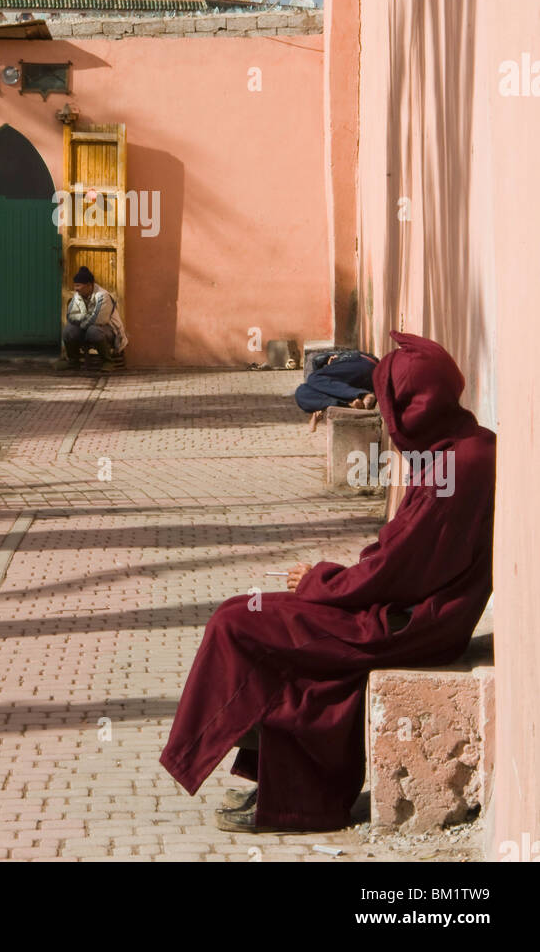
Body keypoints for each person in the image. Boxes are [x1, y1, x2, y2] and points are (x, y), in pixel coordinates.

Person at [160, 332, 495, 833]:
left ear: (413, 405)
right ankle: (282, 789)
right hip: (412, 609)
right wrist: (334, 580)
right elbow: (404, 557)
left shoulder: (455, 464)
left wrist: (321, 581)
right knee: (250, 618)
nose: (389, 419)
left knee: (242, 623)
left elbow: (398, 570)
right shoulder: (461, 443)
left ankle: (288, 795)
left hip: (413, 624)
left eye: (390, 405)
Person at [61, 266, 128, 370]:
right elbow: (70, 316)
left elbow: (99, 320)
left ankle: (108, 362)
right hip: (86, 328)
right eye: (75, 285)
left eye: (78, 285)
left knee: (93, 331)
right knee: (68, 330)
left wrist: (82, 320)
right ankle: (73, 361)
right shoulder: (78, 295)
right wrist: (84, 318)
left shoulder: (102, 295)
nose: (76, 289)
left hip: (109, 330)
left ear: (89, 285)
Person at [294, 348, 379, 430]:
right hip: (366, 383)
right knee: (300, 393)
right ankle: (353, 401)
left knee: (311, 380)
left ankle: (358, 397)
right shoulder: (324, 383)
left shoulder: (320, 373)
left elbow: (318, 360)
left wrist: (329, 361)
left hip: (362, 363)